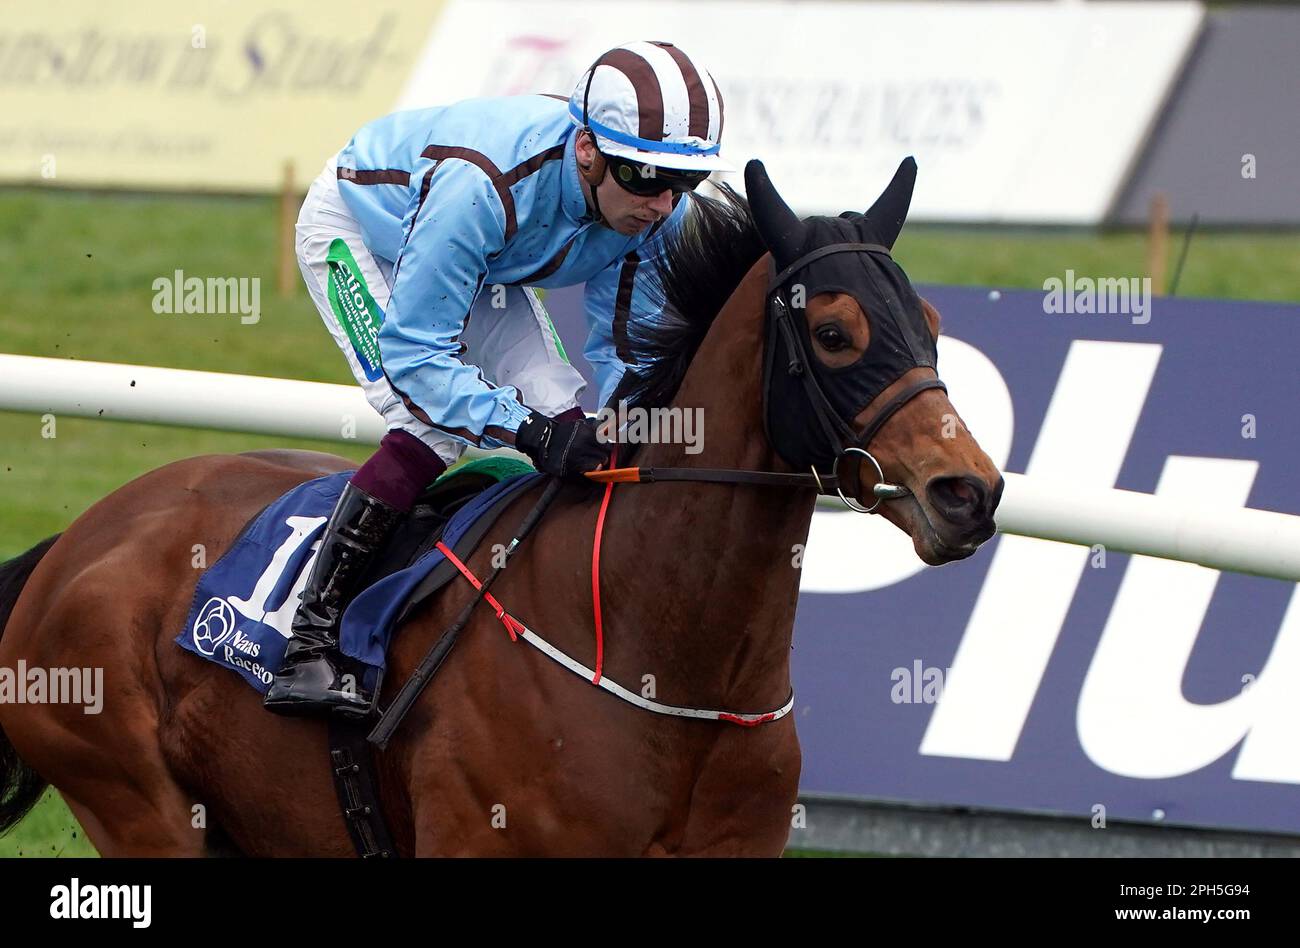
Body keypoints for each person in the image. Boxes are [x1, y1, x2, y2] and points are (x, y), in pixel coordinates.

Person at [264, 41, 731, 717]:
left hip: (483, 262)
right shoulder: (481, 185)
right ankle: (307, 640)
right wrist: (528, 433)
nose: (660, 203)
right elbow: (417, 359)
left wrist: (616, 428)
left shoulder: (657, 212)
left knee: (568, 409)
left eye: (680, 183)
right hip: (365, 230)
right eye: (641, 176)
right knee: (429, 424)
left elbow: (627, 353)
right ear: (587, 152)